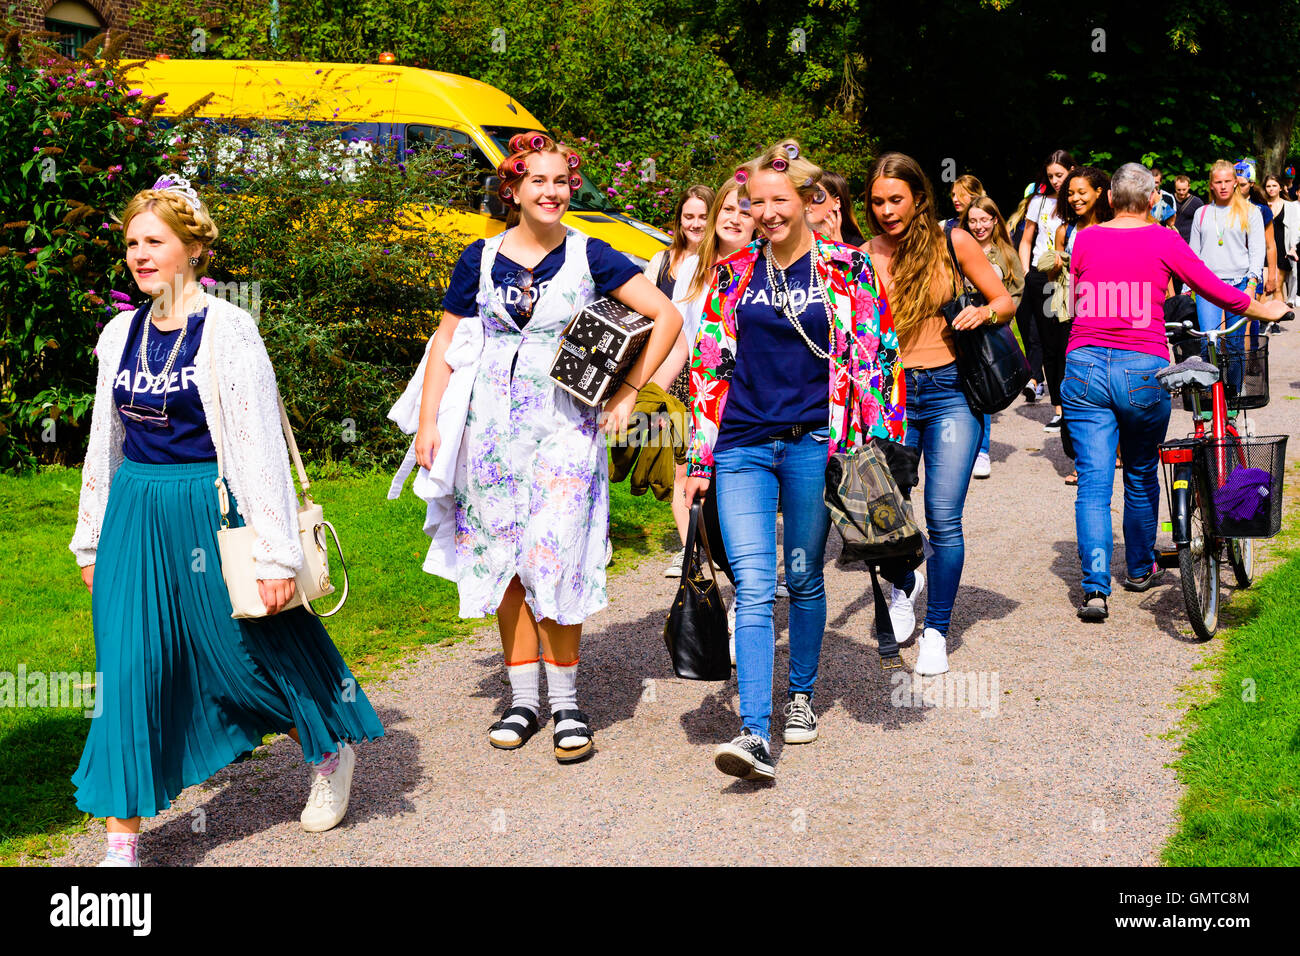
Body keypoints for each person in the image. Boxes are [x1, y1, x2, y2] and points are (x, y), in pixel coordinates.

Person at [68, 177, 386, 867]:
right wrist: (91, 535)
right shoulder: (119, 333)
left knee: (252, 653)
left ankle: (329, 752)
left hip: (211, 513)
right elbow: (104, 442)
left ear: (193, 249)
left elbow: (257, 446)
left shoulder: (228, 329)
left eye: (155, 242)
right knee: (129, 671)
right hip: (134, 515)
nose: (140, 255)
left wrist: (275, 556)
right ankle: (122, 844)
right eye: (132, 243)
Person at [414, 131, 681, 761]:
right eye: (539, 180)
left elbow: (667, 316)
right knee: (506, 561)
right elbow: (444, 346)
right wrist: (430, 423)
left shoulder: (594, 256)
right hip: (491, 432)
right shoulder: (477, 259)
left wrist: (629, 393)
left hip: (566, 425)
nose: (553, 192)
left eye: (562, 181)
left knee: (555, 554)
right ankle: (522, 698)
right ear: (513, 187)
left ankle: (566, 704)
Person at [683, 139, 904, 782]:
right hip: (744, 446)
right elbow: (705, 366)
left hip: (814, 445)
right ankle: (754, 732)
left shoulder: (848, 269)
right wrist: (701, 454)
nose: (768, 213)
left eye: (779, 201)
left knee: (804, 578)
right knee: (753, 586)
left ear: (808, 202)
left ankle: (801, 694)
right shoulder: (733, 274)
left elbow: (880, 359)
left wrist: (879, 448)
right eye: (757, 204)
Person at [1062, 163, 1289, 620]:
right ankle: (1141, 569)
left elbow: (1076, 298)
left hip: (1083, 363)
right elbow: (1212, 288)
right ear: (1152, 201)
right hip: (1141, 368)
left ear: (1109, 199)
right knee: (1142, 471)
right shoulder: (1164, 239)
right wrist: (1264, 309)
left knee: (1092, 482)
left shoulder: (1083, 239)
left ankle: (1094, 589)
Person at [864, 152, 1014, 676]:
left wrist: (985, 310)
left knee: (943, 518)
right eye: (878, 201)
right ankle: (904, 581)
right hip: (891, 399)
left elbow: (1005, 301)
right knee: (884, 519)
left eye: (896, 200)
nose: (887, 210)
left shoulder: (954, 242)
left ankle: (937, 630)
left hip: (951, 391)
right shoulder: (861, 257)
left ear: (919, 198)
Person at [642, 185, 714, 576]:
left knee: (714, 467)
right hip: (675, 373)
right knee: (680, 465)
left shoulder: (726, 259)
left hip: (714, 370)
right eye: (689, 216)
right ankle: (690, 553)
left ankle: (720, 550)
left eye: (703, 216)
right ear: (679, 220)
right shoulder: (662, 262)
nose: (696, 223)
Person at [1044, 166, 1114, 482]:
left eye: (1081, 192)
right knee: (1072, 385)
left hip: (1111, 315)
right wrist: (1055, 265)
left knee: (1109, 384)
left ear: (1100, 192)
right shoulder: (1065, 232)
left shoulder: (1116, 227)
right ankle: (1079, 458)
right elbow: (1051, 282)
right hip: (1071, 316)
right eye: (1070, 193)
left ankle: (1117, 449)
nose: (1074, 198)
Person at [959, 194, 1024, 479]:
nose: (978, 226)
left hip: (990, 330)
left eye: (984, 219)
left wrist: (993, 315)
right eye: (972, 220)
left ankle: (982, 451)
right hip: (960, 328)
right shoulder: (955, 249)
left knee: (982, 388)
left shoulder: (1007, 254)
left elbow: (1016, 295)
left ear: (994, 220)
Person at [1190, 159, 1265, 390]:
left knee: (1234, 344)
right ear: (1211, 185)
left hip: (1240, 283)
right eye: (1218, 182)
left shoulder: (1251, 212)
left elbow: (1256, 250)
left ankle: (1232, 395)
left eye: (1227, 181)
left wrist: (1252, 283)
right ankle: (1210, 394)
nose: (1223, 186)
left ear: (1235, 183)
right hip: (1207, 285)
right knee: (1208, 341)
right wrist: (1188, 287)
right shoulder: (1201, 213)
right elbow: (1193, 254)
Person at [1016, 150, 1075, 404]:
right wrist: (1026, 272)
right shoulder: (1038, 202)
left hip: (1070, 276)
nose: (1055, 181)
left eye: (1059, 175)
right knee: (1048, 343)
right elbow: (1026, 239)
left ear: (1072, 171)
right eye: (1051, 176)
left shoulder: (1078, 201)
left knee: (1069, 341)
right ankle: (1058, 406)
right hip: (1041, 276)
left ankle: (1075, 400)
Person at [1264, 172, 1300, 310]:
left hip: (1282, 249)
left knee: (1278, 286)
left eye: (1274, 185)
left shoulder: (1290, 206)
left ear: (1280, 188)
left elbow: (1295, 229)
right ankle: (1264, 319)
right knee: (1265, 286)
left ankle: (1275, 321)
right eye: (1268, 186)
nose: (1271, 189)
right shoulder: (1261, 206)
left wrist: (1293, 247)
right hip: (1265, 250)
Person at [805, 170, 866, 246]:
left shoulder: (859, 247)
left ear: (836, 203)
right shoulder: (799, 242)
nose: (808, 203)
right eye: (806, 197)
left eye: (817, 196)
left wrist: (840, 248)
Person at [1172, 174, 1203, 244]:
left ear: (1189, 186)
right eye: (1178, 190)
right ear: (1175, 187)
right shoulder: (1169, 199)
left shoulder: (1197, 202)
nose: (1181, 192)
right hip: (1171, 240)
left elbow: (1202, 222)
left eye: (1184, 190)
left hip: (1189, 242)